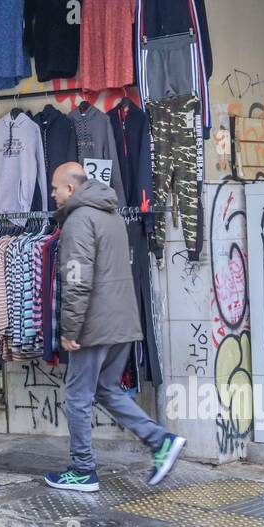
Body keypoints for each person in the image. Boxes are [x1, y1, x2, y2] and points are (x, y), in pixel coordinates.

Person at [46, 161, 185, 491]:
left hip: (93, 324)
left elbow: (77, 278)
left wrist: (70, 329)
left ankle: (82, 469)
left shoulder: (79, 220)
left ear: (71, 188)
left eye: (55, 188)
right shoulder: (109, 214)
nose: (52, 194)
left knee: (78, 396)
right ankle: (161, 441)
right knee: (107, 390)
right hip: (121, 321)